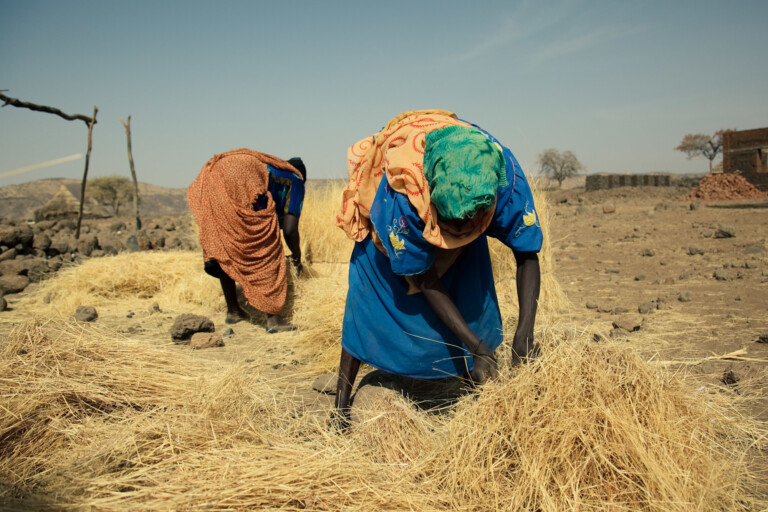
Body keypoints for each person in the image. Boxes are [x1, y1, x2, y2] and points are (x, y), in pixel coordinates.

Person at [334, 109, 542, 423]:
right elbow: (425, 280)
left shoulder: (503, 178)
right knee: (369, 301)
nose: (460, 230)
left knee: (469, 289)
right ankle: (339, 408)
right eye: (453, 224)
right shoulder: (400, 193)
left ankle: (477, 384)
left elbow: (526, 253)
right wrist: (476, 345)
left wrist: (525, 332)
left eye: (469, 224)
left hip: (459, 212)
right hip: (394, 221)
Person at [187, 149, 306, 333]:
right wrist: (297, 258)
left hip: (210, 178)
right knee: (265, 247)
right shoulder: (296, 179)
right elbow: (290, 230)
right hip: (233, 176)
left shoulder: (271, 170)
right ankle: (273, 319)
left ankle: (233, 311)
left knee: (224, 245)